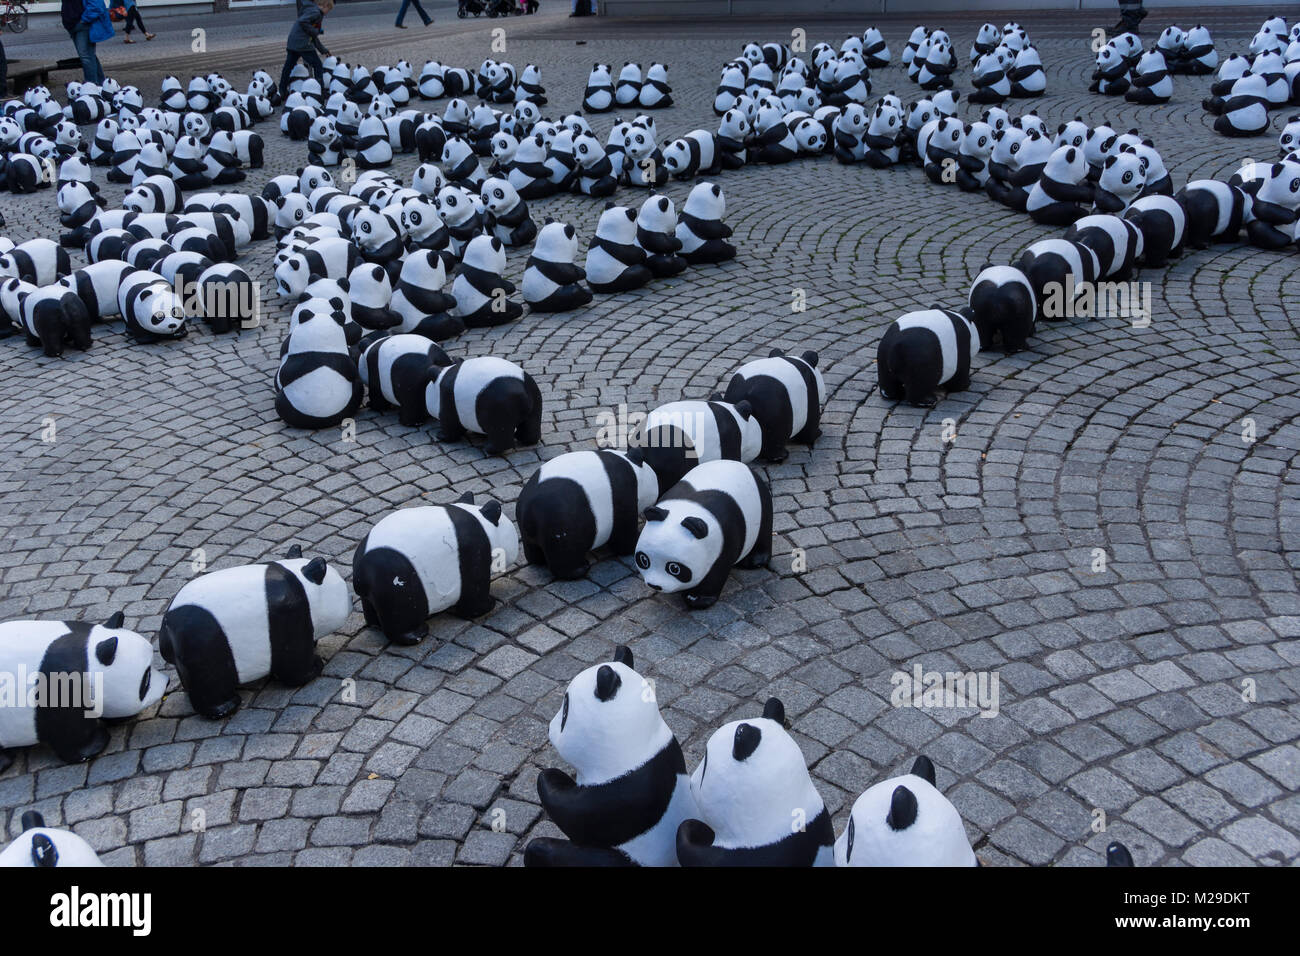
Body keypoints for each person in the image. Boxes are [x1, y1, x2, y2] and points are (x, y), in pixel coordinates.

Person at [279, 0, 331, 96]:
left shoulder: (309, 9)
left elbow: (312, 34)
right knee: (318, 65)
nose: (328, 12)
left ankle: (282, 91)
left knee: (288, 67)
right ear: (325, 6)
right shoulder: (316, 13)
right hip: (303, 44)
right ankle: (320, 91)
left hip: (293, 42)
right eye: (329, 9)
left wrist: (323, 50)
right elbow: (304, 23)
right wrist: (316, 31)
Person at [61, 0, 108, 85]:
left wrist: (84, 20)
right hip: (73, 24)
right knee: (89, 55)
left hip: (82, 25)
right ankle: (100, 83)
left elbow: (96, 6)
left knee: (86, 56)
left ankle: (91, 86)